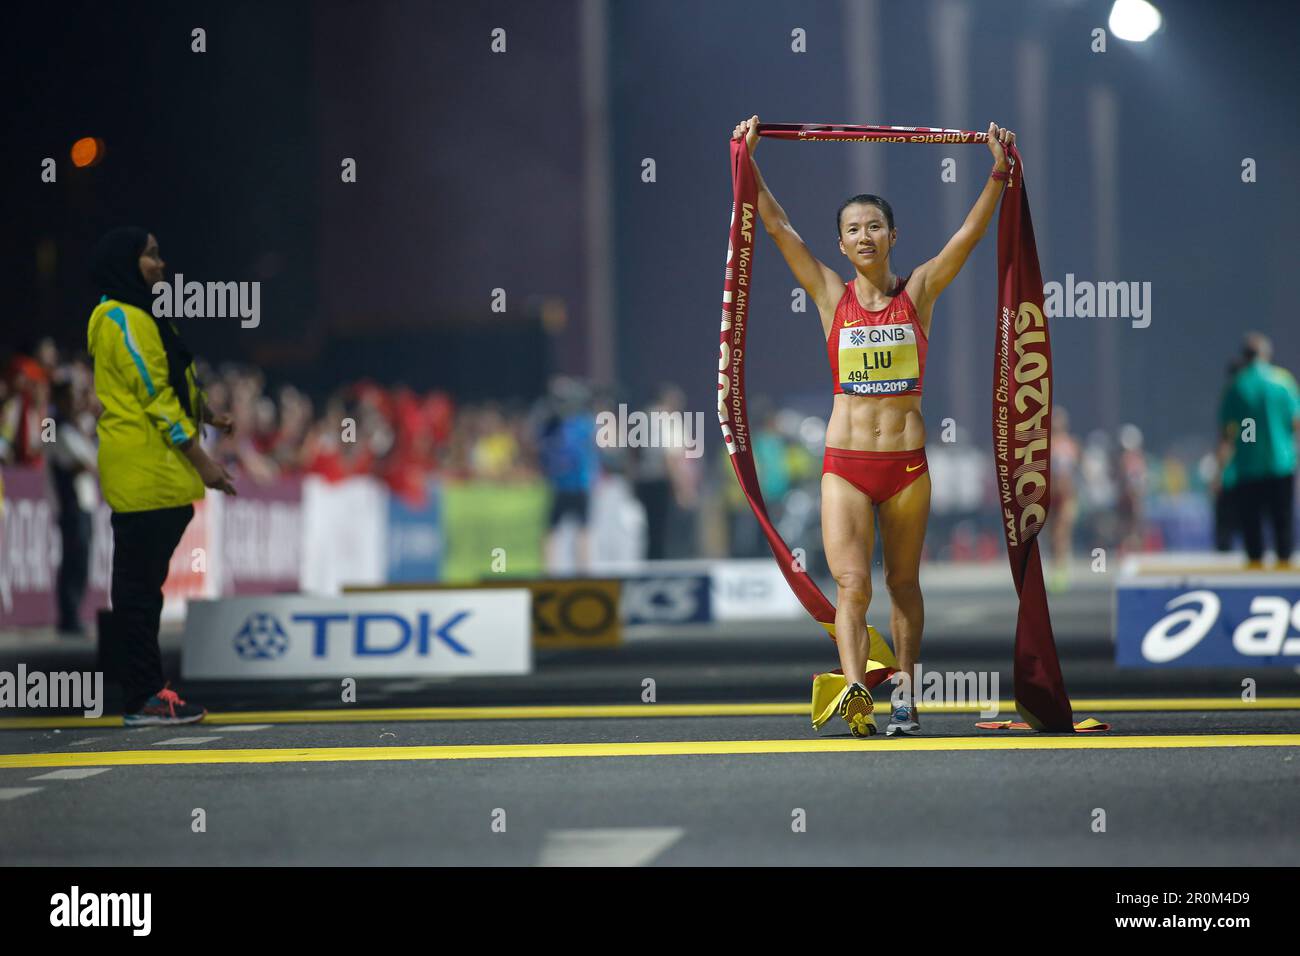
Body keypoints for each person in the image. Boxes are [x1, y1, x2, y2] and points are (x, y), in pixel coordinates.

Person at [734, 114, 1018, 736]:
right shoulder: (829, 295)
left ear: (892, 235)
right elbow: (777, 227)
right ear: (840, 244)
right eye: (852, 230)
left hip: (907, 467)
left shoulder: (917, 293)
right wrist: (746, 159)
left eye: (873, 227)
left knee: (905, 583)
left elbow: (968, 237)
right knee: (852, 583)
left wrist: (998, 171)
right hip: (846, 465)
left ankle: (907, 694)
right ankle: (858, 690)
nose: (864, 236)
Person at [88, 226, 236, 725]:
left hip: (159, 477)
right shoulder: (119, 318)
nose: (162, 264)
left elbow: (174, 380)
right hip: (144, 473)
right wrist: (205, 463)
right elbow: (156, 397)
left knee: (141, 591)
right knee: (136, 594)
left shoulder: (144, 315)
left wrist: (210, 416)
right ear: (126, 262)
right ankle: (144, 697)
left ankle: (147, 694)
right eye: (152, 256)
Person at [1217, 333, 1299, 567]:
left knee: (1253, 534)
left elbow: (1228, 435)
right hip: (1281, 464)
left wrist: (1219, 472)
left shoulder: (1237, 386)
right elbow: (1295, 423)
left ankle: (1255, 583)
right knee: (1283, 530)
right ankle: (1286, 587)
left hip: (1247, 467)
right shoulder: (1283, 381)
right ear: (1266, 354)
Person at [47, 376, 99, 635]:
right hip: (69, 502)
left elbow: (91, 459)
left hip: (86, 501)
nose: (73, 402)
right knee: (72, 558)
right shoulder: (53, 424)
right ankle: (68, 616)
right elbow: (59, 455)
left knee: (82, 559)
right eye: (67, 397)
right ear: (57, 399)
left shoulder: (78, 425)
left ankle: (75, 612)